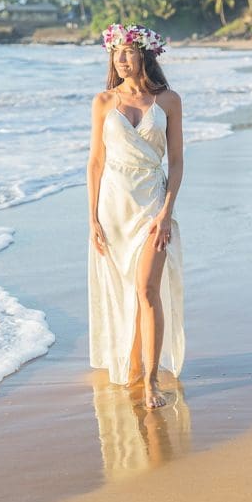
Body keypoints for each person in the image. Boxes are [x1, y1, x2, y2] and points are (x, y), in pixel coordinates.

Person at [87, 23, 184, 409]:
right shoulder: (103, 101)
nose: (121, 59)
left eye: (128, 51)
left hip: (151, 204)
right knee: (124, 289)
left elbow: (176, 162)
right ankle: (132, 362)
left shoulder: (169, 100)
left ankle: (151, 380)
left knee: (146, 289)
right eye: (116, 53)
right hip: (113, 207)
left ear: (145, 54)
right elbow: (96, 162)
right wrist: (92, 218)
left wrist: (166, 212)